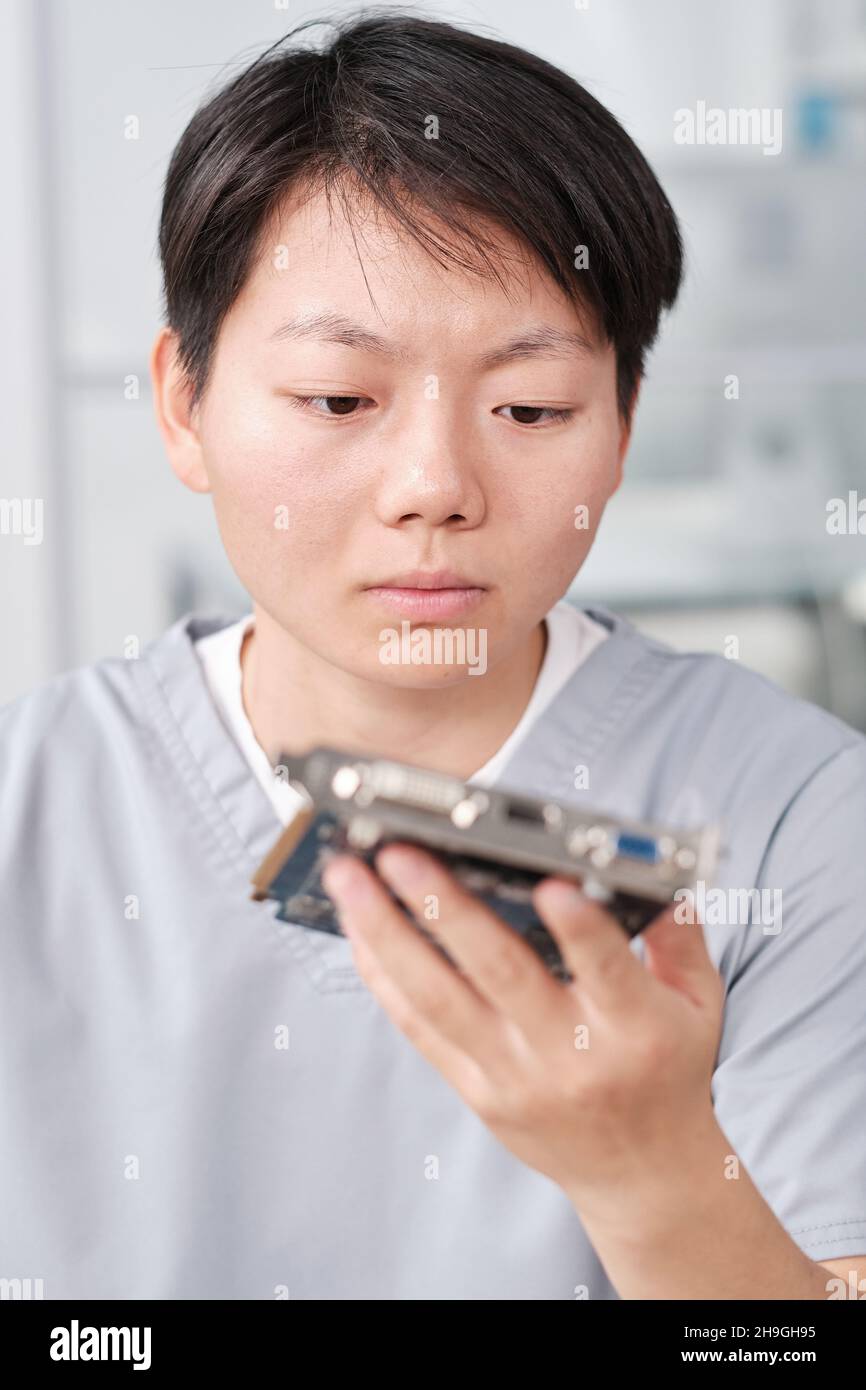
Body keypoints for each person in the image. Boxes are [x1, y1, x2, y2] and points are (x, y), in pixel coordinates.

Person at [2, 8, 865, 1301]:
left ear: (621, 424)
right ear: (183, 402)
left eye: (529, 408)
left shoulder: (799, 813)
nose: (434, 486)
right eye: (340, 398)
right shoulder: (31, 803)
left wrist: (650, 1176)